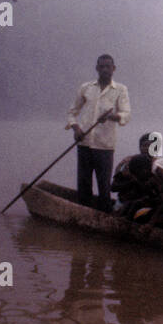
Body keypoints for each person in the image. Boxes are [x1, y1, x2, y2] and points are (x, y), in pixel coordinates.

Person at [66, 54, 130, 210]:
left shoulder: (120, 90)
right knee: (83, 183)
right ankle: (82, 213)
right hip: (84, 142)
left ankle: (104, 215)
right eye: (101, 66)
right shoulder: (86, 88)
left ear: (113, 69)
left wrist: (111, 116)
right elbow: (72, 112)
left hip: (105, 146)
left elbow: (126, 115)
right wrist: (76, 128)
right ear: (97, 68)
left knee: (104, 185)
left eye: (108, 66)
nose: (105, 70)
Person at [111, 133, 159, 208]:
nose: (147, 148)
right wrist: (131, 181)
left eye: (150, 146)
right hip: (124, 201)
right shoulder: (127, 162)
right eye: (144, 145)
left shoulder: (158, 166)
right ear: (140, 147)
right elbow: (113, 187)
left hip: (145, 204)